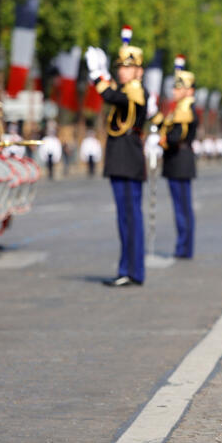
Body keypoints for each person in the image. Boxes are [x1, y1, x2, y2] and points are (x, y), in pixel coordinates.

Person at [86, 26, 148, 287]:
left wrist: (97, 74)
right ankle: (130, 269)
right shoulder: (128, 90)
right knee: (126, 218)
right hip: (123, 160)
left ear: (138, 71)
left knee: (129, 218)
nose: (122, 70)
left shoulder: (134, 91)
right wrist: (103, 75)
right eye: (120, 66)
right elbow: (114, 94)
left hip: (127, 161)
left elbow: (111, 95)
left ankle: (130, 270)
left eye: (127, 67)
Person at [158, 56, 198, 259]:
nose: (174, 91)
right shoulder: (181, 109)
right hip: (179, 161)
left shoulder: (185, 109)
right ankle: (184, 246)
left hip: (179, 160)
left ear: (189, 90)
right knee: (181, 207)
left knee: (182, 208)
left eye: (178, 88)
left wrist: (161, 140)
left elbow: (175, 137)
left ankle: (184, 247)